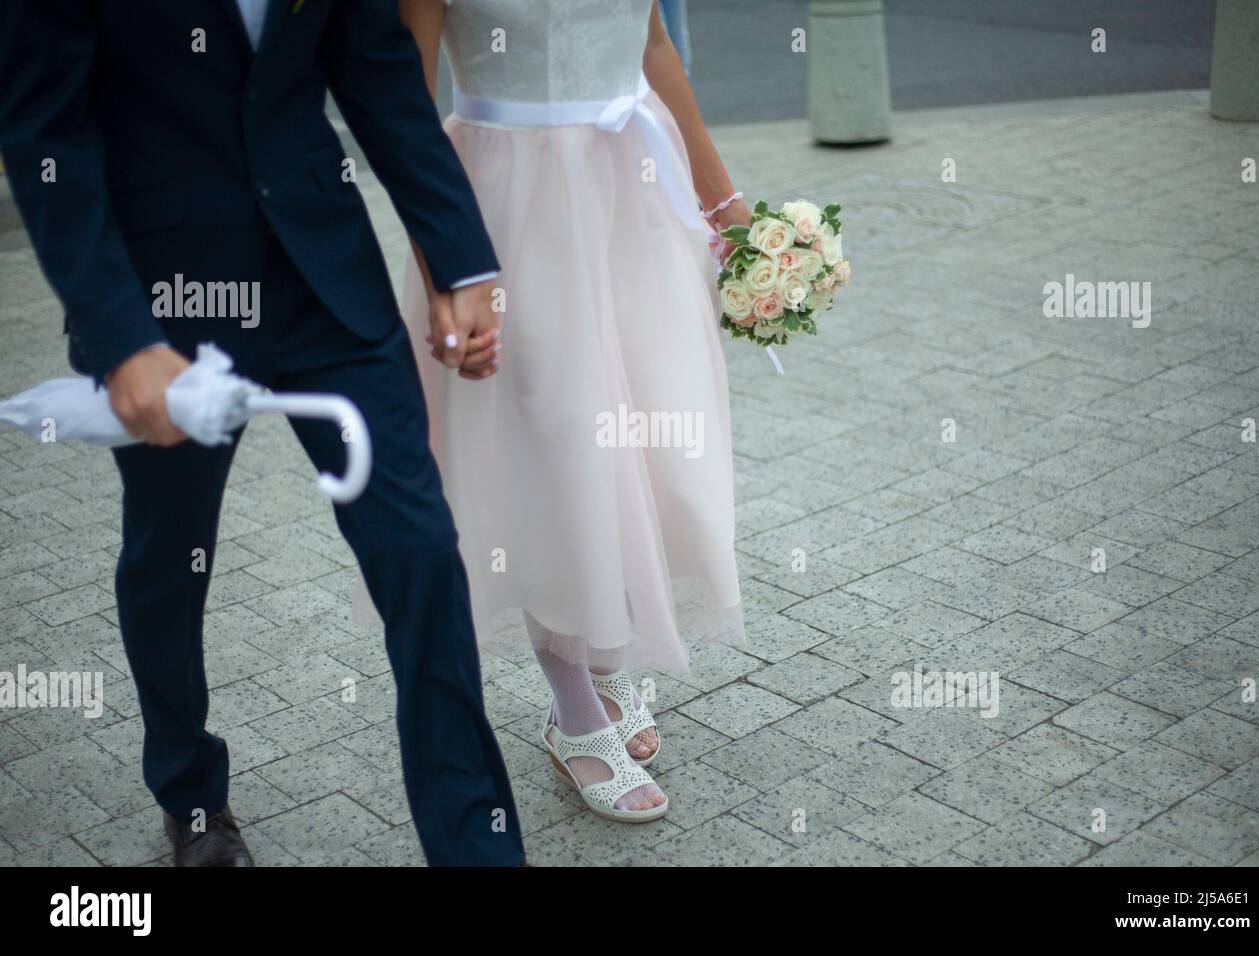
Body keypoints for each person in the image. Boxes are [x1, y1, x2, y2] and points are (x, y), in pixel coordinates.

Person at [0, 0, 523, 866]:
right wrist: (121, 336)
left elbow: (379, 71)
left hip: (328, 283)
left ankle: (477, 847)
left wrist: (459, 258)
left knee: (422, 552)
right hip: (164, 308)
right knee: (171, 559)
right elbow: (46, 131)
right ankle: (191, 794)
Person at [390, 0, 747, 823]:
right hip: (506, 202)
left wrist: (724, 203)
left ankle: (607, 641)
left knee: (650, 434)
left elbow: (653, 40)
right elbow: (402, 96)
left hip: (634, 185)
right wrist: (442, 265)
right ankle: (575, 709)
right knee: (551, 439)